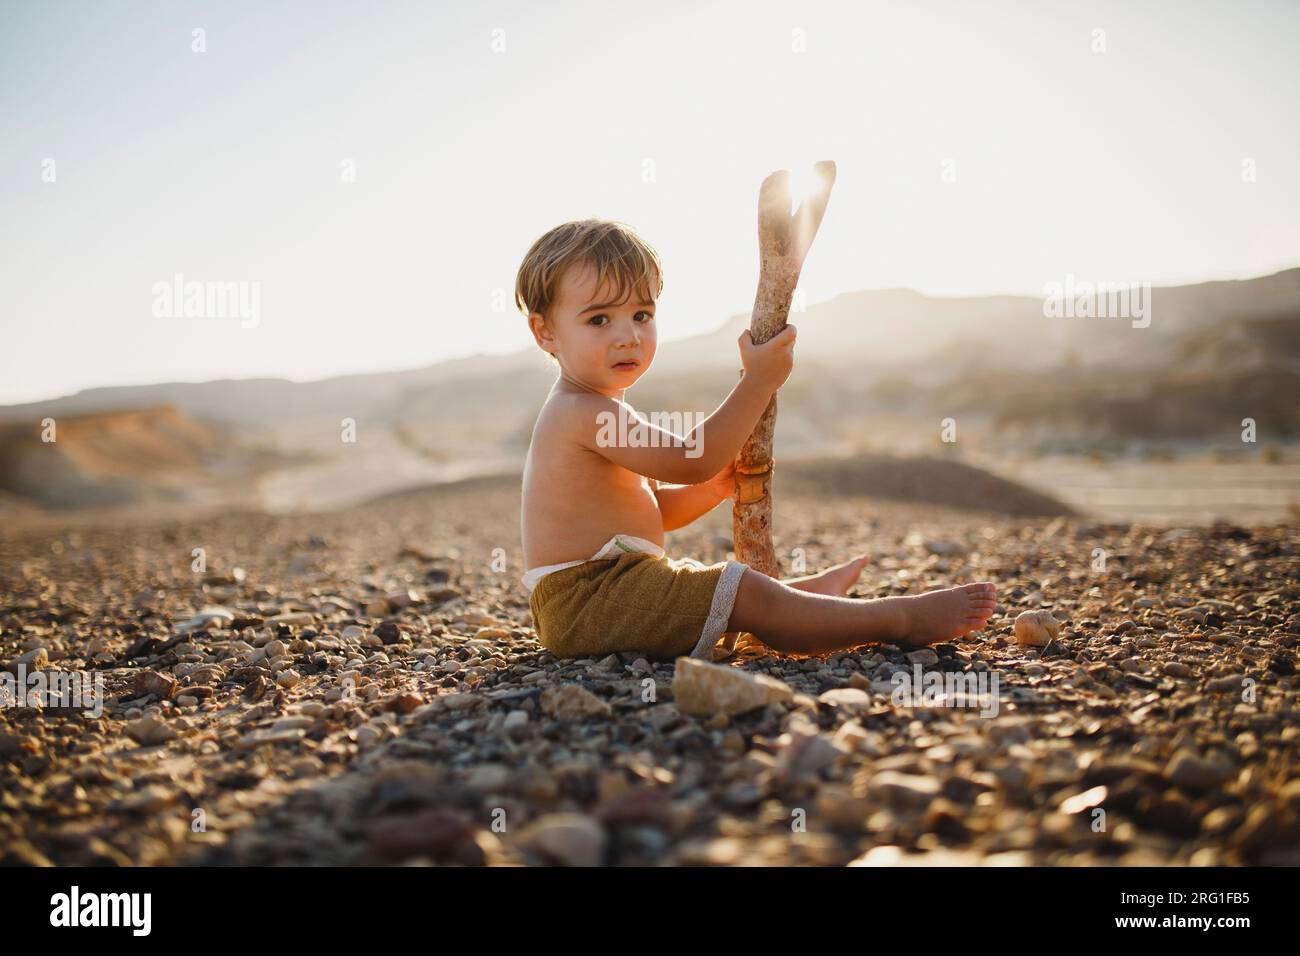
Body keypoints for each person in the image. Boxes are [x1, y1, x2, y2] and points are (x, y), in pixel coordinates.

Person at [517, 218, 996, 661]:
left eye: (642, 314)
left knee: (725, 589)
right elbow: (692, 458)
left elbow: (650, 514)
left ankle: (803, 602)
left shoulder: (598, 409)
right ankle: (898, 618)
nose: (628, 336)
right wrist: (758, 381)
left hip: (610, 589)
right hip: (587, 602)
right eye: (599, 320)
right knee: (740, 590)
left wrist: (709, 490)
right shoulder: (582, 412)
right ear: (545, 332)